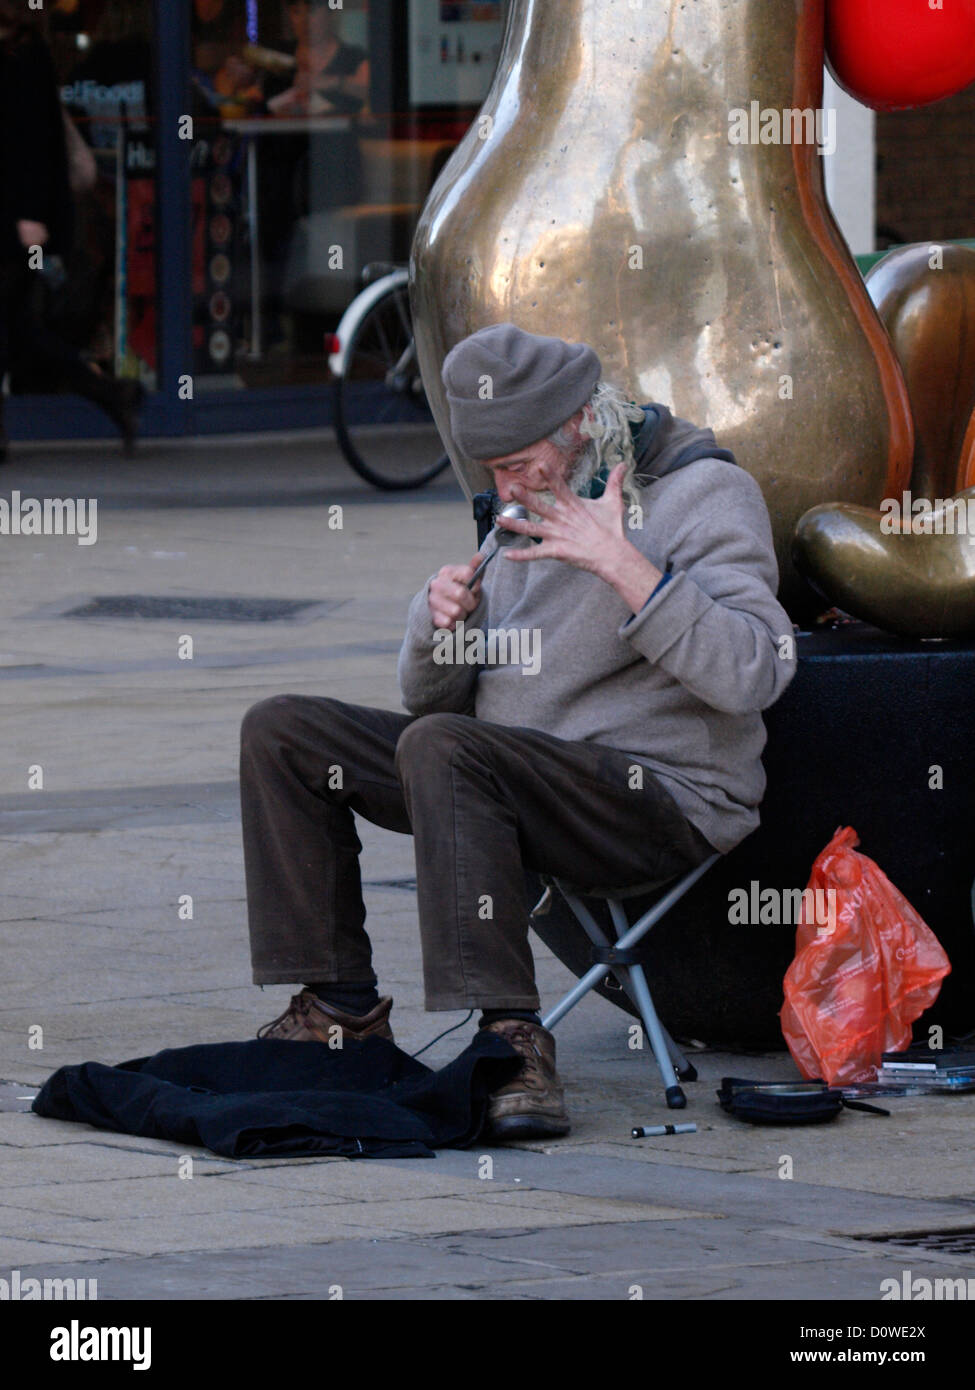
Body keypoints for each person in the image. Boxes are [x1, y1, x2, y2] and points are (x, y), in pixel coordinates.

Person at [240, 323, 798, 1141]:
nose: (507, 485)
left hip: (655, 794)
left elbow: (757, 670)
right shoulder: (523, 504)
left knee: (447, 751)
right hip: (497, 775)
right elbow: (431, 701)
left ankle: (511, 1041)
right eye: (493, 469)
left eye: (517, 462)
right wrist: (440, 624)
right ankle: (339, 1011)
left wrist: (626, 567)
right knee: (283, 731)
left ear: (578, 421)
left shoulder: (701, 491)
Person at [0, 2, 142, 461]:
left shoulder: (25, 56)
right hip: (16, 216)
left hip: (22, 224)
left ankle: (110, 395)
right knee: (17, 328)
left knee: (14, 324)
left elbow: (34, 141)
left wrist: (29, 217)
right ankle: (111, 395)